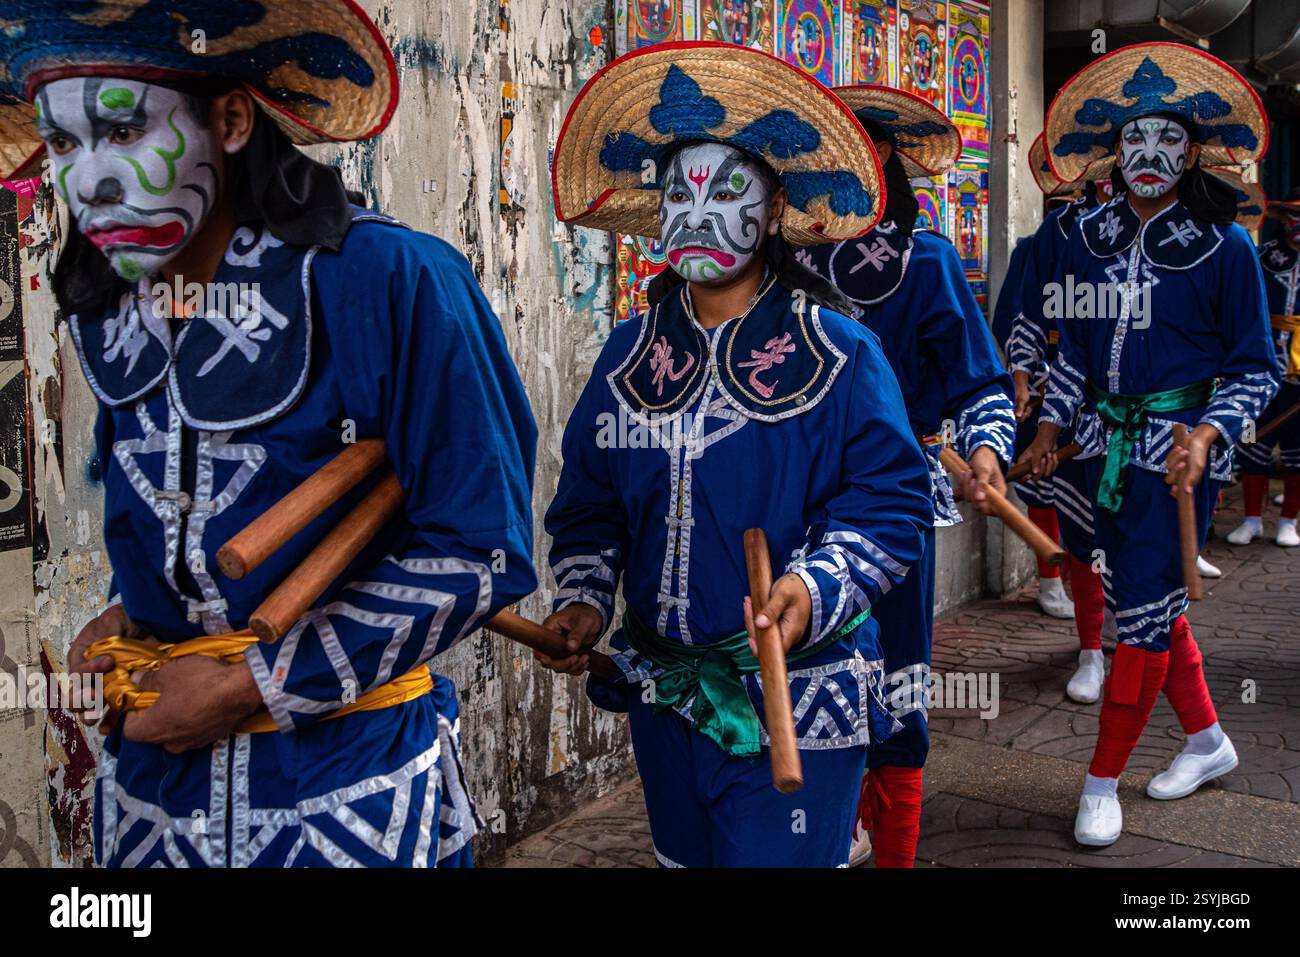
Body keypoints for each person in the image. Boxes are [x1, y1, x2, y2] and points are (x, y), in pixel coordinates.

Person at [0, 1, 537, 867]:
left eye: (125, 129)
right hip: (153, 803)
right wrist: (136, 615)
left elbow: (482, 552)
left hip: (346, 799)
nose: (88, 178)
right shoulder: (111, 305)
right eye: (63, 145)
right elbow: (181, 526)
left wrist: (257, 681)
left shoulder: (394, 279)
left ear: (233, 120)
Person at [539, 41, 933, 867]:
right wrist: (583, 599)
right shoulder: (627, 354)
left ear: (776, 204)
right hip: (666, 696)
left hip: (800, 692)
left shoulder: (840, 352)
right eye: (680, 193)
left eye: (727, 191)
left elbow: (893, 506)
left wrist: (811, 586)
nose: (700, 214)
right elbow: (592, 502)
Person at [1019, 42, 1276, 847]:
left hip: (1175, 461)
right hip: (1097, 449)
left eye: (1168, 140)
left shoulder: (1227, 247)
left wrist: (1206, 435)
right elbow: (1071, 355)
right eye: (1135, 140)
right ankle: (1208, 740)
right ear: (1115, 150)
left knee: (1140, 619)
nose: (1150, 156)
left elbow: (1255, 370)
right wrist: (1051, 433)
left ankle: (1101, 783)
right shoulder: (1083, 237)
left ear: (1193, 150)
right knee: (1148, 602)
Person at [797, 84, 1014, 866]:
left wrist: (985, 450)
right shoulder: (776, 262)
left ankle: (894, 850)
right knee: (804, 677)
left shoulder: (926, 262)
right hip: (792, 501)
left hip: (890, 505)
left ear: (884, 159)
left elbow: (981, 383)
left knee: (896, 685)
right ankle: (831, 827)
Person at [1007, 133, 1112, 701]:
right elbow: (1028, 312)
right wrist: (1025, 379)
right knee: (1083, 532)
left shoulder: (1174, 236)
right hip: (1068, 398)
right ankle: (1091, 649)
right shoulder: (1061, 232)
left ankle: (1150, 645)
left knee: (1143, 547)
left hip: (1147, 416)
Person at [1228, 187, 1300, 548]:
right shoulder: (1264, 256)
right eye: (1294, 217)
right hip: (1264, 369)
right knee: (1252, 441)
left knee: (1296, 452)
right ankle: (1252, 518)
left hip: (1299, 378)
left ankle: (1289, 522)